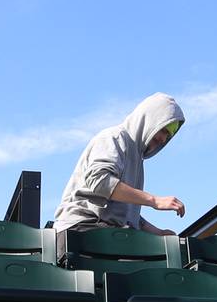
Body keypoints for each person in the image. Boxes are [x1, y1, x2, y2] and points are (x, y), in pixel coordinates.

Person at [54, 93, 187, 235]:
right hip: (80, 228)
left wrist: (158, 233)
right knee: (134, 248)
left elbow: (125, 213)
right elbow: (100, 181)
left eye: (168, 136)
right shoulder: (114, 138)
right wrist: (154, 200)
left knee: (150, 249)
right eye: (163, 130)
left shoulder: (136, 160)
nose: (163, 139)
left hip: (106, 231)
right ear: (149, 121)